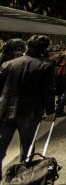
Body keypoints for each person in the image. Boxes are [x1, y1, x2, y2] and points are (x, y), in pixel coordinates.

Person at [0, 35, 55, 174]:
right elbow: (48, 91)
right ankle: (22, 177)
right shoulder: (46, 65)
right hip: (30, 112)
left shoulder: (8, 64)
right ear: (44, 49)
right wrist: (50, 111)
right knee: (27, 148)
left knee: (1, 146)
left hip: (5, 111)